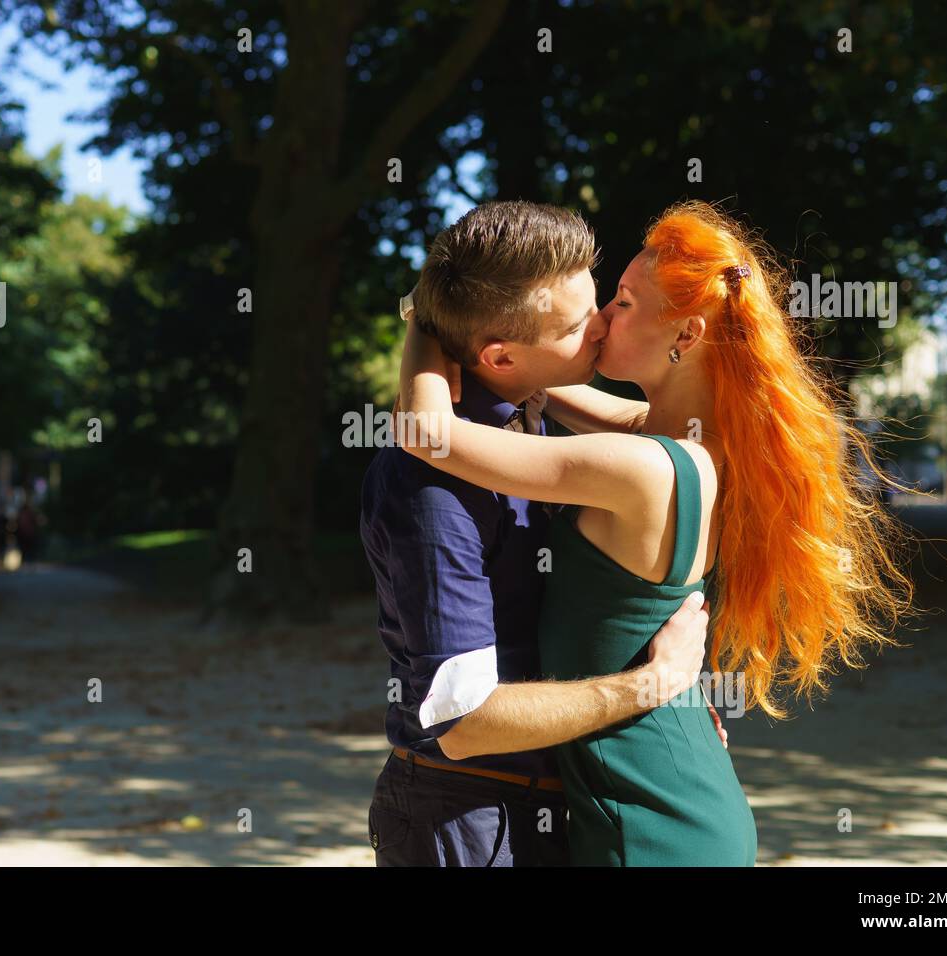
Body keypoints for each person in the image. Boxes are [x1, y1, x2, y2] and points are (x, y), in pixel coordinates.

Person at [398, 200, 914, 865]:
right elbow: (538, 383)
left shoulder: (643, 467)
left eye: (623, 303)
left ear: (687, 337)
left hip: (648, 825)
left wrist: (425, 322)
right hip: (682, 798)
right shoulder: (688, 445)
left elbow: (425, 434)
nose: (602, 316)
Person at [360, 201, 721, 867]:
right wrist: (651, 686)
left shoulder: (541, 416)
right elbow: (463, 725)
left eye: (604, 302)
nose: (605, 326)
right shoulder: (433, 491)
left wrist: (425, 327)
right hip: (471, 818)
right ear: (500, 355)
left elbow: (643, 422)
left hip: (553, 805)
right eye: (584, 321)